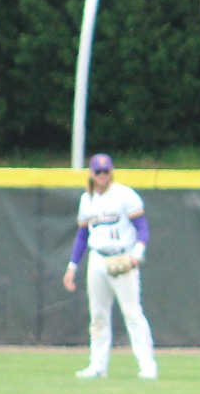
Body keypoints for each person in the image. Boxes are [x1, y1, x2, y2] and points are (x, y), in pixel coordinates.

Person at [63, 152, 158, 380]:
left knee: (132, 313)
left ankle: (147, 366)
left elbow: (142, 227)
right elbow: (82, 235)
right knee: (98, 316)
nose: (103, 175)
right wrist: (72, 266)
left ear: (111, 172)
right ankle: (97, 366)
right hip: (97, 259)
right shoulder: (87, 200)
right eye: (98, 171)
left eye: (106, 171)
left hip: (122, 258)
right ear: (91, 174)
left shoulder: (125, 195)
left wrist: (136, 254)